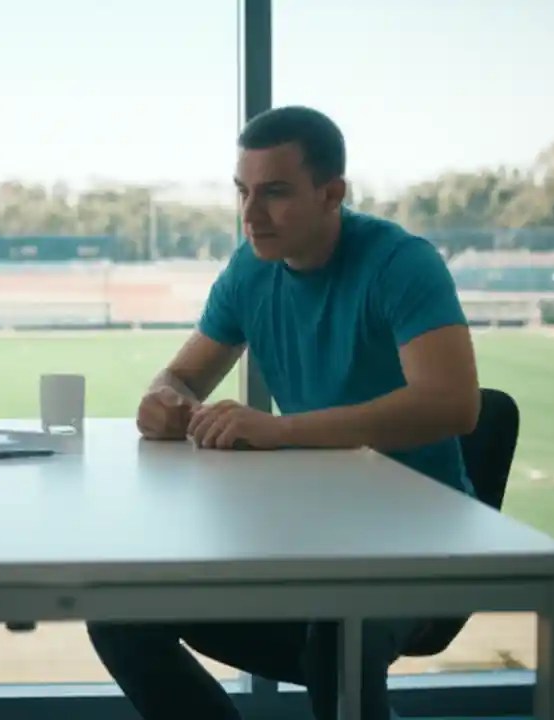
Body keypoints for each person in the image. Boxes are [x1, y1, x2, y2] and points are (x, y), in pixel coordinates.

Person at [87, 106, 481, 720]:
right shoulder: (251, 267)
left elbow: (453, 404)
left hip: (417, 540)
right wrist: (170, 402)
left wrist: (279, 431)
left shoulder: (402, 262)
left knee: (336, 637)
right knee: (119, 611)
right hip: (303, 532)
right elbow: (181, 375)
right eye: (242, 192)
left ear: (332, 194)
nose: (250, 215)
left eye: (274, 193)